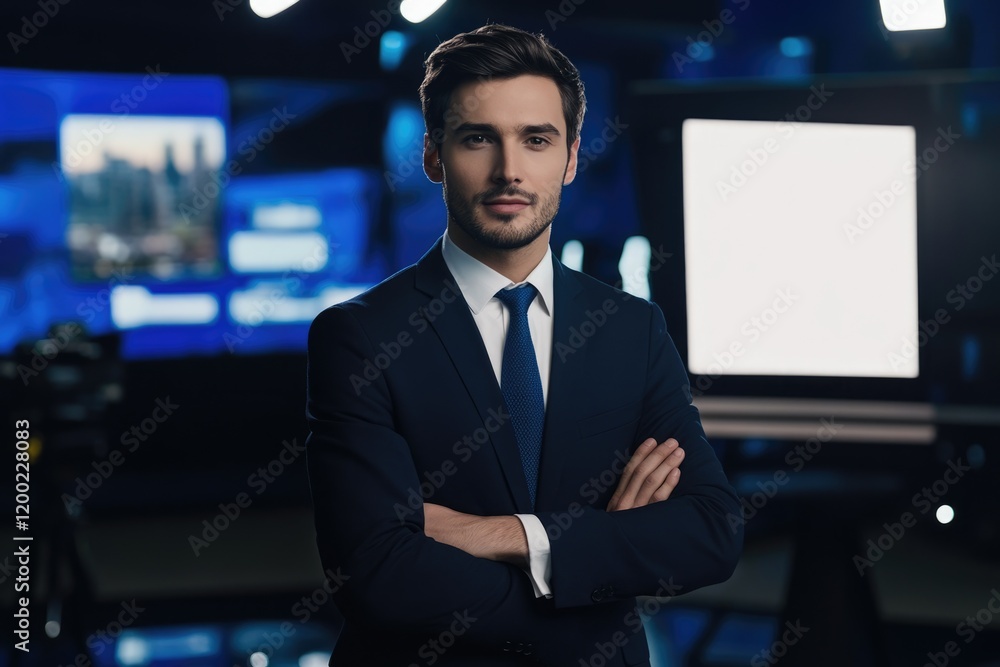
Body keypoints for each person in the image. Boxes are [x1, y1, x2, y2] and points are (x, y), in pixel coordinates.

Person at [305, 23, 743, 666]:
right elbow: (378, 575)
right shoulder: (360, 336)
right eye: (479, 138)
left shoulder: (631, 329)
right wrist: (594, 582)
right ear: (433, 156)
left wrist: (507, 536)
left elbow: (710, 532)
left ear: (569, 158)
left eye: (536, 140)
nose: (509, 171)